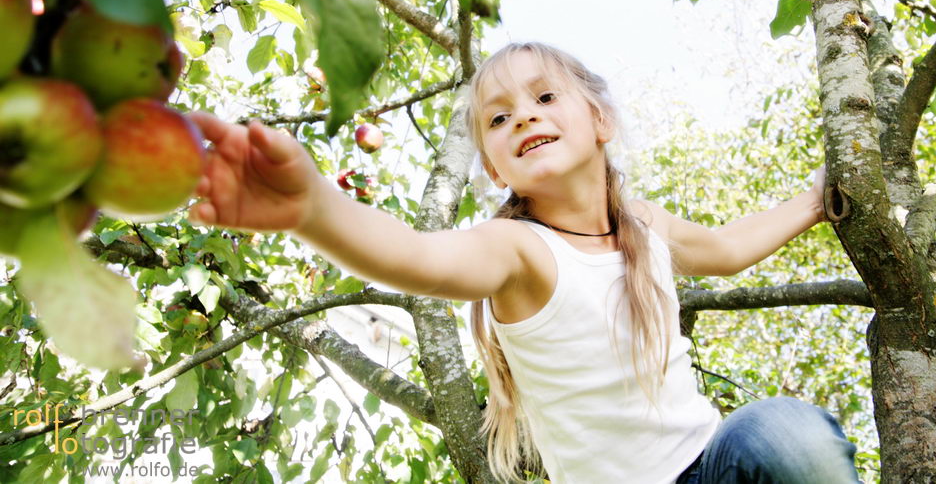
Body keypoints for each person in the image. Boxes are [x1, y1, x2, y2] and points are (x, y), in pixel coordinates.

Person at [188, 41, 861, 483]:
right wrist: (314, 209)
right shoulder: (519, 252)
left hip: (716, 466)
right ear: (491, 164)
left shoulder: (642, 226)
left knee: (786, 433)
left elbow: (725, 249)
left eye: (544, 97)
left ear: (601, 120)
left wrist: (819, 199)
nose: (525, 118)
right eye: (499, 118)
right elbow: (417, 257)